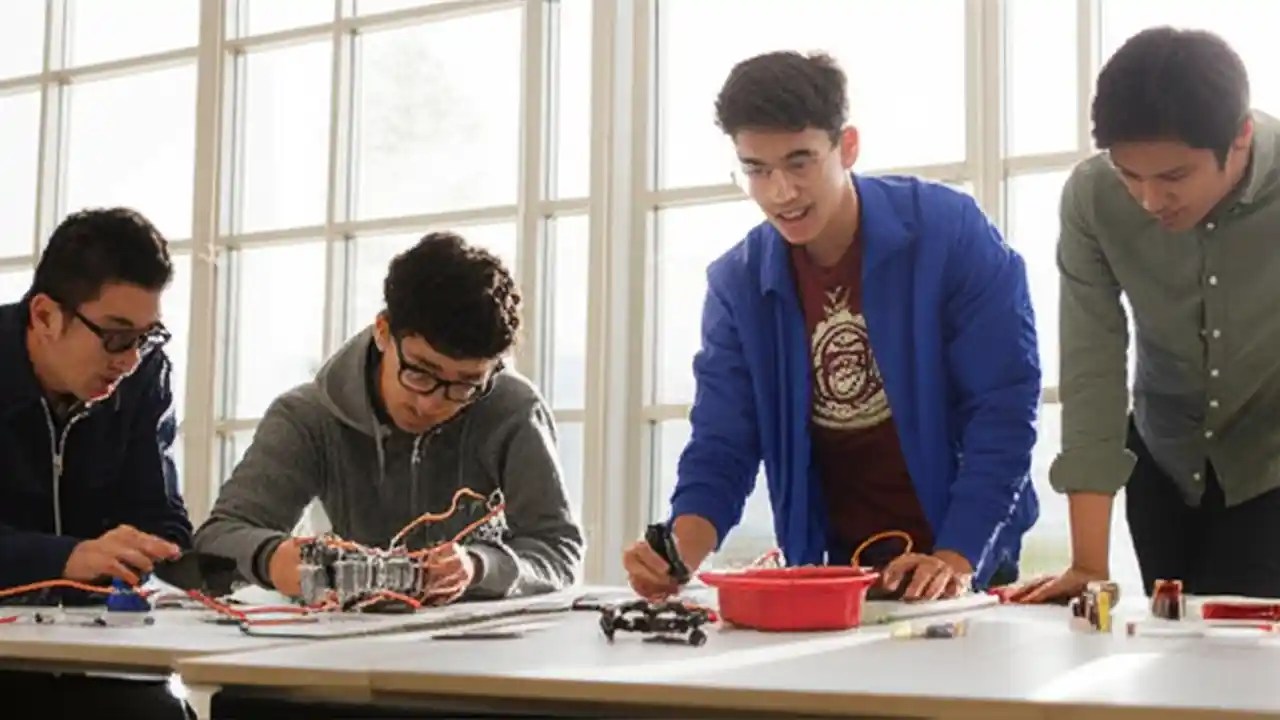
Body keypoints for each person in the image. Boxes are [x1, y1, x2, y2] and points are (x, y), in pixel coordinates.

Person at [622, 51, 1041, 602]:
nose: (780, 192)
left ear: (847, 146)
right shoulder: (737, 284)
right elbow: (722, 444)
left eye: (799, 162)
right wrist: (676, 557)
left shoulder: (951, 233)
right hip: (830, 574)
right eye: (756, 170)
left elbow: (1003, 410)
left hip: (966, 557)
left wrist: (954, 559)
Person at [1013, 27, 1280, 603]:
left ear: (1240, 137)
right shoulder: (1091, 198)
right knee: (1171, 644)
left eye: (1174, 177)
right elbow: (1093, 371)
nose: (1149, 201)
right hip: (1163, 460)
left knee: (1241, 645)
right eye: (1130, 175)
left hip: (1271, 459)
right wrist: (1088, 564)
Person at [194, 231, 583, 604]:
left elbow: (558, 551)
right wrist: (271, 558)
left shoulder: (514, 409)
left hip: (482, 638)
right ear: (383, 331)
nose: (432, 404)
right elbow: (218, 537)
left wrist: (480, 567)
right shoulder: (307, 417)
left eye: (465, 386)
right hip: (347, 638)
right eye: (420, 373)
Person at [0, 207, 193, 718]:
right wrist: (66, 557)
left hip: (98, 655)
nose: (129, 359)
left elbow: (162, 517)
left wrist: (154, 551)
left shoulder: (145, 374)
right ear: (45, 316)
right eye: (116, 334)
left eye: (147, 336)